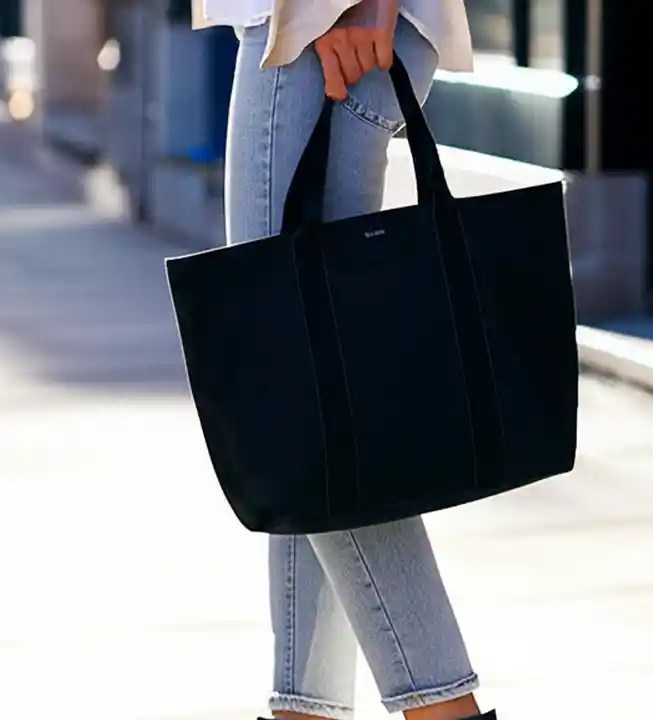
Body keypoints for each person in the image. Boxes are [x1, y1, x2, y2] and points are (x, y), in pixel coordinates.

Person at [191, 1, 493, 719]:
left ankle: (443, 710)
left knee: (304, 400)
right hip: (307, 27)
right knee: (311, 400)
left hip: (319, 27)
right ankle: (305, 711)